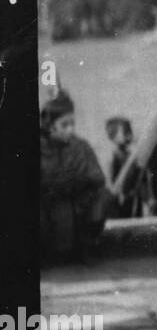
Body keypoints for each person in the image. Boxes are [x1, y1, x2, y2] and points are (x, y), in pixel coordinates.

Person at [40, 91, 111, 262]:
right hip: (47, 210)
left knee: (103, 195)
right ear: (50, 126)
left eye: (72, 123)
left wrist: (80, 183)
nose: (70, 129)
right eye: (64, 124)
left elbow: (97, 178)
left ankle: (87, 245)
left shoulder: (81, 147)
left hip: (76, 206)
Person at [105, 116, 140, 218]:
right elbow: (110, 181)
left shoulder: (129, 154)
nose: (129, 134)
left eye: (129, 130)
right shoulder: (112, 155)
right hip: (117, 199)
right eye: (125, 131)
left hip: (129, 197)